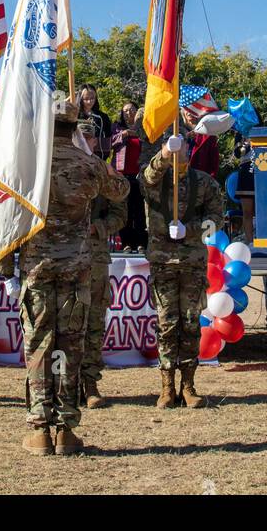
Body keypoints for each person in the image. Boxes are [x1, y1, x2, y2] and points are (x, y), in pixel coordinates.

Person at [19, 95, 128, 456]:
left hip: (37, 267)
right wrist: (94, 164)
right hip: (77, 268)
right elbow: (121, 190)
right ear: (73, 126)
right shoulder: (89, 164)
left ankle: (39, 429)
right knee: (69, 347)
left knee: (38, 347)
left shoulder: (29, 164)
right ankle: (65, 429)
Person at [140, 129, 224, 409]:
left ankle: (188, 385)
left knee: (190, 324)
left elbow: (216, 221)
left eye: (181, 146)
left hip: (192, 262)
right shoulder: (156, 178)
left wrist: (191, 230)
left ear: (189, 148)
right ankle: (167, 387)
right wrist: (164, 155)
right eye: (171, 145)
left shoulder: (204, 183)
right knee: (166, 325)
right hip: (163, 262)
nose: (178, 150)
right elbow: (147, 179)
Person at [79, 120, 127, 409]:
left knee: (94, 321)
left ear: (96, 142)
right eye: (79, 136)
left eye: (88, 137)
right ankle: (65, 385)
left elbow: (120, 210)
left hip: (94, 255)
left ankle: (91, 384)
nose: (84, 141)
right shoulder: (53, 164)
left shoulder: (104, 170)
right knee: (67, 323)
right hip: (65, 253)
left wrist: (100, 225)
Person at [112, 103, 147, 251]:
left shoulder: (144, 128)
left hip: (139, 175)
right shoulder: (117, 127)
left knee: (139, 210)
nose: (129, 113)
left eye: (132, 110)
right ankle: (126, 242)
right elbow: (110, 142)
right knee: (124, 210)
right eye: (125, 110)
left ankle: (141, 243)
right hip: (122, 174)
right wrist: (123, 135)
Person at [75, 84, 112, 160]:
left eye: (92, 98)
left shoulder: (103, 117)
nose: (89, 101)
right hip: (78, 155)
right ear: (81, 99)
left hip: (98, 156)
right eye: (86, 98)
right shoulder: (75, 115)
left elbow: (108, 136)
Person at [233, 136, 255, 245]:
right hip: (246, 172)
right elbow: (237, 154)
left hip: (263, 168)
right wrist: (246, 146)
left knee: (264, 210)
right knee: (247, 212)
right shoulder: (240, 134)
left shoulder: (261, 129)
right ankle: (250, 242)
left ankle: (266, 240)